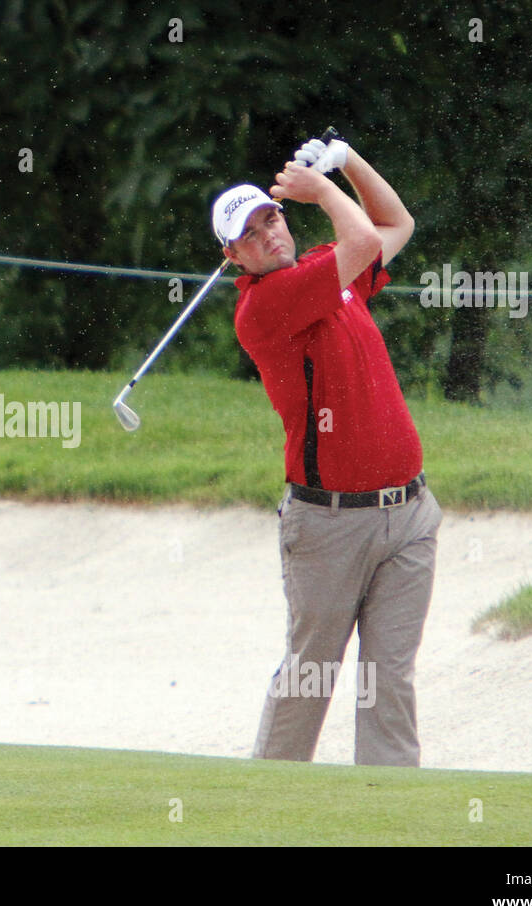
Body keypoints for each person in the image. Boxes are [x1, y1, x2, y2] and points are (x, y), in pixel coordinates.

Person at [211, 136, 443, 767]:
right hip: (329, 524)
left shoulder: (329, 276)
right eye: (251, 234)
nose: (269, 235)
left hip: (410, 514)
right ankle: (270, 804)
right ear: (234, 258)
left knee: (389, 679)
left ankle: (386, 815)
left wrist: (347, 160)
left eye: (273, 217)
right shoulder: (263, 308)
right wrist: (321, 190)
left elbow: (395, 223)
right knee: (311, 674)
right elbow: (365, 241)